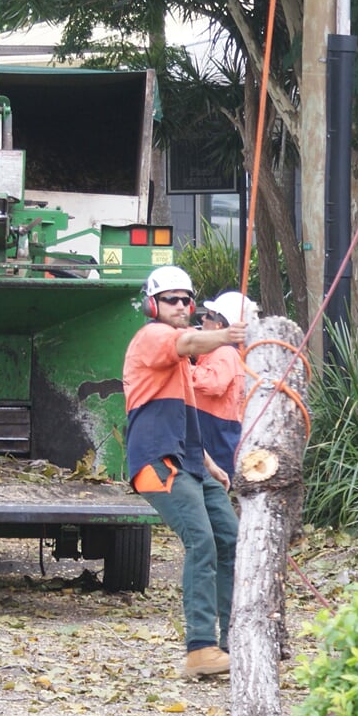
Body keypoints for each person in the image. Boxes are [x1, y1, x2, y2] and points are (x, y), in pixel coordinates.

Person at [124, 265, 245, 679]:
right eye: (170, 299)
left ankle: (235, 642)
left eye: (184, 300)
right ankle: (200, 649)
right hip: (157, 462)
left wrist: (211, 465)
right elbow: (190, 339)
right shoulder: (154, 337)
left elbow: (188, 420)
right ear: (152, 305)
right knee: (202, 541)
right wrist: (228, 337)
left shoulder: (183, 364)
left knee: (230, 538)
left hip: (192, 463)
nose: (180, 306)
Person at [192, 291, 256, 482]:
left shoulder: (226, 352)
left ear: (220, 325)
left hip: (217, 441)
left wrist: (181, 371)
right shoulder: (222, 352)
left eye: (209, 316)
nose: (203, 318)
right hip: (217, 437)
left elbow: (213, 384)